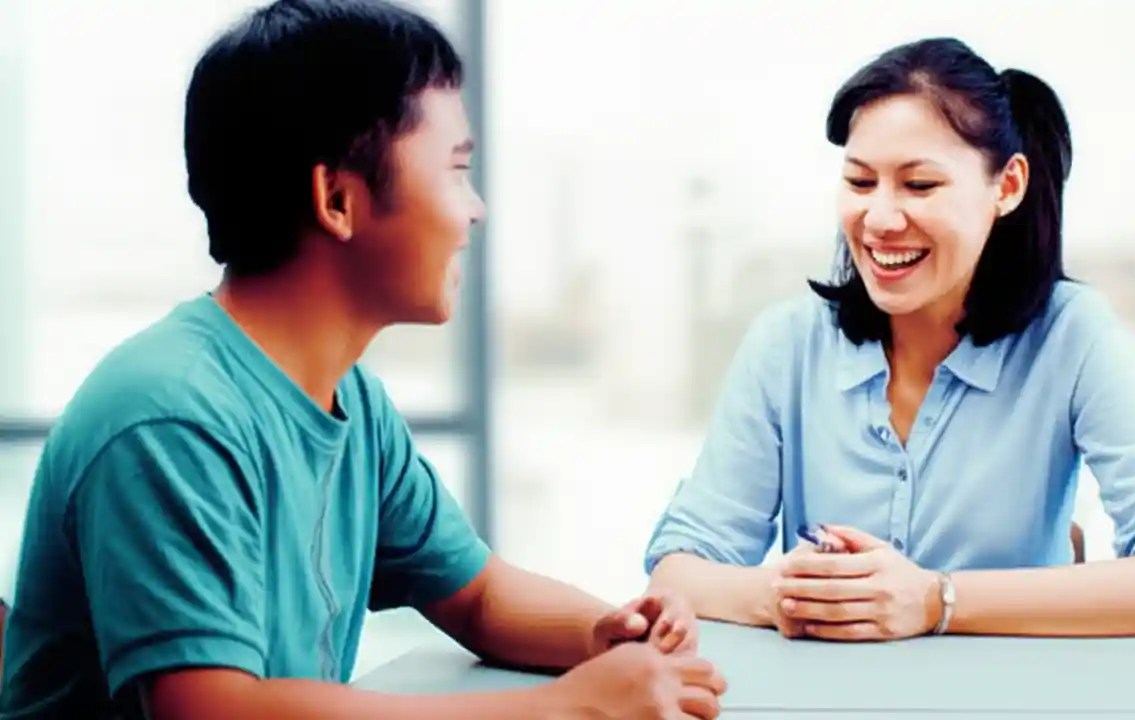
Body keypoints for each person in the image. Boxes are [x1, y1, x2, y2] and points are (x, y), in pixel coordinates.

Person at [0, 1, 726, 718]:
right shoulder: (168, 416)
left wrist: (607, 635)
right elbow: (212, 708)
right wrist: (563, 711)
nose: (474, 209)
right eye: (455, 169)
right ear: (337, 199)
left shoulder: (350, 400)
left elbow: (477, 594)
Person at [644, 37, 1135, 642]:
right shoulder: (787, 343)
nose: (879, 219)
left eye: (919, 185)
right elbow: (677, 572)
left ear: (1006, 187)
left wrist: (934, 599)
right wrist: (783, 596)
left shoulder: (1074, 336)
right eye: (860, 181)